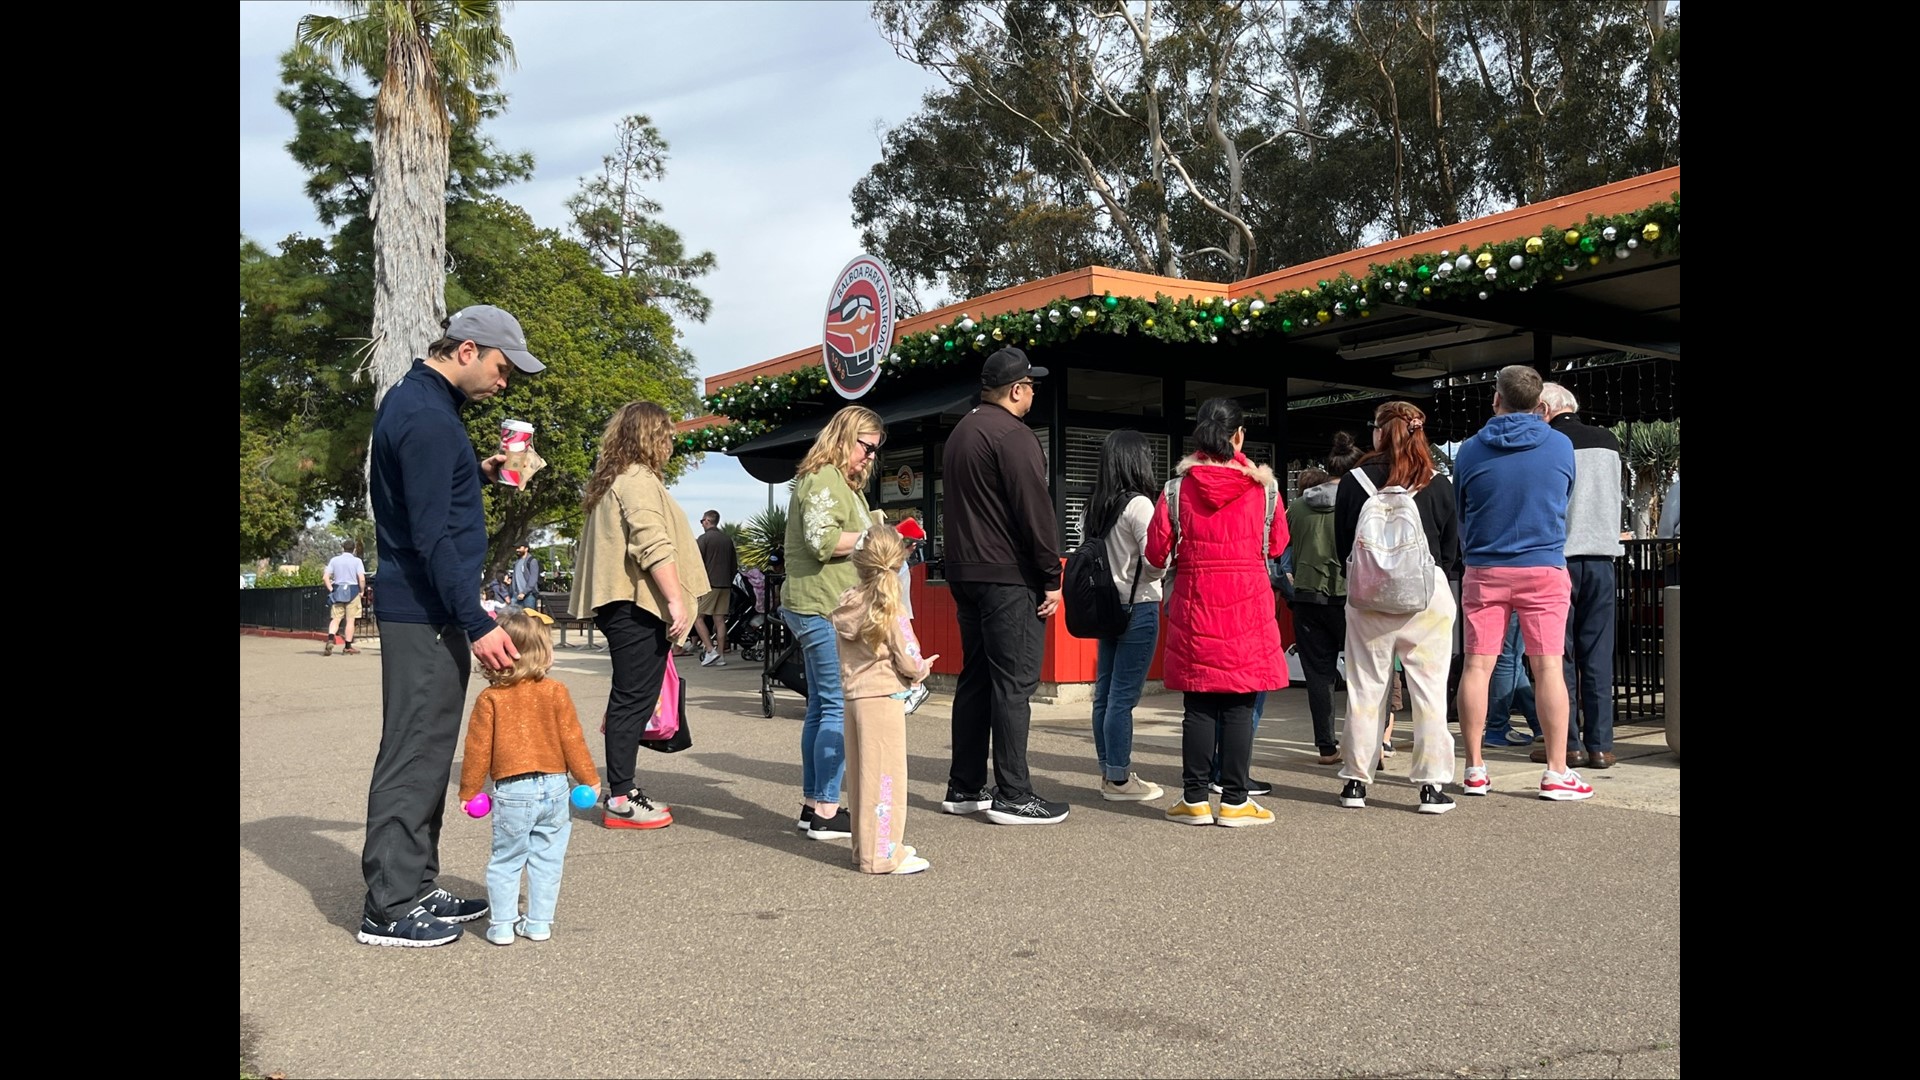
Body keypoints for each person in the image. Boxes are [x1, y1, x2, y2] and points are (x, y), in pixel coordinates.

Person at [358, 303, 539, 948]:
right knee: (413, 751)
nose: (505, 379)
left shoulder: (421, 405)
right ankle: (388, 906)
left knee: (428, 751)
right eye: (501, 364)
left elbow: (425, 503)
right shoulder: (429, 418)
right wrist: (476, 620)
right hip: (428, 610)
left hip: (427, 605)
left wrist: (483, 470)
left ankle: (415, 883)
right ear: (466, 349)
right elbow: (432, 536)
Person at [939, 348, 1069, 826]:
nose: (1034, 390)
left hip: (965, 571)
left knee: (975, 677)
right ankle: (1013, 793)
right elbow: (1035, 510)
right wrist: (1051, 577)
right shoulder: (1013, 435)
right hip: (1007, 575)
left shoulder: (961, 432)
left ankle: (965, 785)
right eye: (1031, 384)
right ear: (1015, 390)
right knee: (1014, 683)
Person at [1148, 397, 1289, 827]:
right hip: (1247, 605)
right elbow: (1278, 545)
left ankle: (1193, 799)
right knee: (1239, 707)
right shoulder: (1264, 489)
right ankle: (1234, 799)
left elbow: (1156, 552)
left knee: (1198, 705)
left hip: (1196, 605)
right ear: (1239, 435)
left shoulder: (1176, 489)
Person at [1453, 365, 1590, 801]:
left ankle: (1474, 768)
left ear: (1497, 399)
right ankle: (1556, 770)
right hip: (1543, 565)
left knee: (1478, 666)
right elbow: (1563, 497)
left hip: (1485, 568)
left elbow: (1463, 506)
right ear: (1541, 406)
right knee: (1548, 667)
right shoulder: (1561, 445)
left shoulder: (1471, 450)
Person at [572, 400, 706, 831]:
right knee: (633, 699)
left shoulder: (617, 479)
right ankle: (622, 798)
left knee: (631, 697)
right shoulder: (637, 480)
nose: (670, 442)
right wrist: (676, 601)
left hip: (624, 604)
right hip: (637, 605)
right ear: (651, 436)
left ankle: (623, 790)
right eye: (666, 434)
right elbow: (653, 544)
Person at [1332, 400, 1463, 814]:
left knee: (1365, 689)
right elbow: (1449, 551)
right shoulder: (1437, 482)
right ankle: (1431, 787)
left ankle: (1355, 782)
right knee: (1429, 691)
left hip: (1368, 600)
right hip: (1426, 599)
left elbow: (1343, 548)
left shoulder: (1354, 481)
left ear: (1380, 432)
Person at [456, 609, 600, 945]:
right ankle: (538, 923)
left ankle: (503, 925)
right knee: (548, 858)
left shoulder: (491, 698)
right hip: (554, 788)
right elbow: (572, 738)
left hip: (513, 790)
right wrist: (589, 779)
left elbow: (477, 749)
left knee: (506, 858)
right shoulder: (555, 691)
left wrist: (469, 791)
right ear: (545, 654)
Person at [782, 405, 886, 841]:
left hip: (818, 603)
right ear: (844, 436)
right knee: (837, 706)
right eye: (866, 447)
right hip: (822, 606)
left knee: (822, 706)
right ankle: (826, 808)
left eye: (874, 450)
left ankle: (813, 804)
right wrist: (876, 537)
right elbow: (823, 540)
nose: (869, 457)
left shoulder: (835, 480)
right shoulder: (824, 477)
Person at [830, 524, 938, 875]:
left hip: (855, 697)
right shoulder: (890, 606)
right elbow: (908, 657)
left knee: (863, 779)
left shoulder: (849, 602)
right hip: (884, 697)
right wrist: (922, 668)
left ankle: (864, 848)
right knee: (887, 778)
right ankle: (882, 855)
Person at [1538, 383, 1625, 770]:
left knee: (1559, 656)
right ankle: (1601, 745)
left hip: (1558, 559)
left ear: (1544, 408)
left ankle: (1567, 744)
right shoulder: (1607, 442)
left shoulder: (1547, 443)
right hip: (1603, 557)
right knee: (1598, 656)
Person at [1081, 429, 1167, 802]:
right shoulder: (1139, 506)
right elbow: (1155, 563)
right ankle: (1119, 778)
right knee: (1122, 698)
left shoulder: (1093, 507)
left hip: (1105, 608)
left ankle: (1108, 769)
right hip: (1139, 606)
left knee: (1104, 694)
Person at [1285, 431, 1364, 765]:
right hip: (1349, 597)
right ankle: (1367, 742)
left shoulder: (1297, 508)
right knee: (1364, 673)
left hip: (1306, 596)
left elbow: (1281, 550)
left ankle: (1326, 746)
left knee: (1319, 675)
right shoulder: (1360, 504)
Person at [1482, 611, 1539, 746]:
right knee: (1509, 659)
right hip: (1518, 597)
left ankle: (1537, 723)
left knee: (1513, 661)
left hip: (1487, 597)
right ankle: (1497, 726)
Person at [693, 510, 738, 667]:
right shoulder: (727, 540)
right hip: (725, 584)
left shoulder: (704, 539)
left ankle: (710, 650)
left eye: (702, 520)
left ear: (707, 521)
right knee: (719, 620)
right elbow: (734, 565)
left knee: (697, 617)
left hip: (709, 585)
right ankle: (720, 654)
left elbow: (697, 563)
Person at [323, 539, 367, 656]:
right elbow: (361, 578)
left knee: (336, 618)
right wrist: (361, 591)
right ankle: (347, 646)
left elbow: (325, 577)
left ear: (343, 548)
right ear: (354, 549)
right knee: (350, 620)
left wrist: (332, 590)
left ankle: (331, 639)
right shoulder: (357, 561)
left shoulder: (334, 560)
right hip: (352, 591)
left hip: (338, 590)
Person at [511, 542, 542, 612]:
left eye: (519, 548)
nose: (517, 550)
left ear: (526, 549)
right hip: (516, 595)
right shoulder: (517, 562)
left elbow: (533, 579)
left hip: (529, 595)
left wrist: (524, 592)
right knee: (515, 619)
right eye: (516, 548)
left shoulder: (532, 561)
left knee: (529, 618)